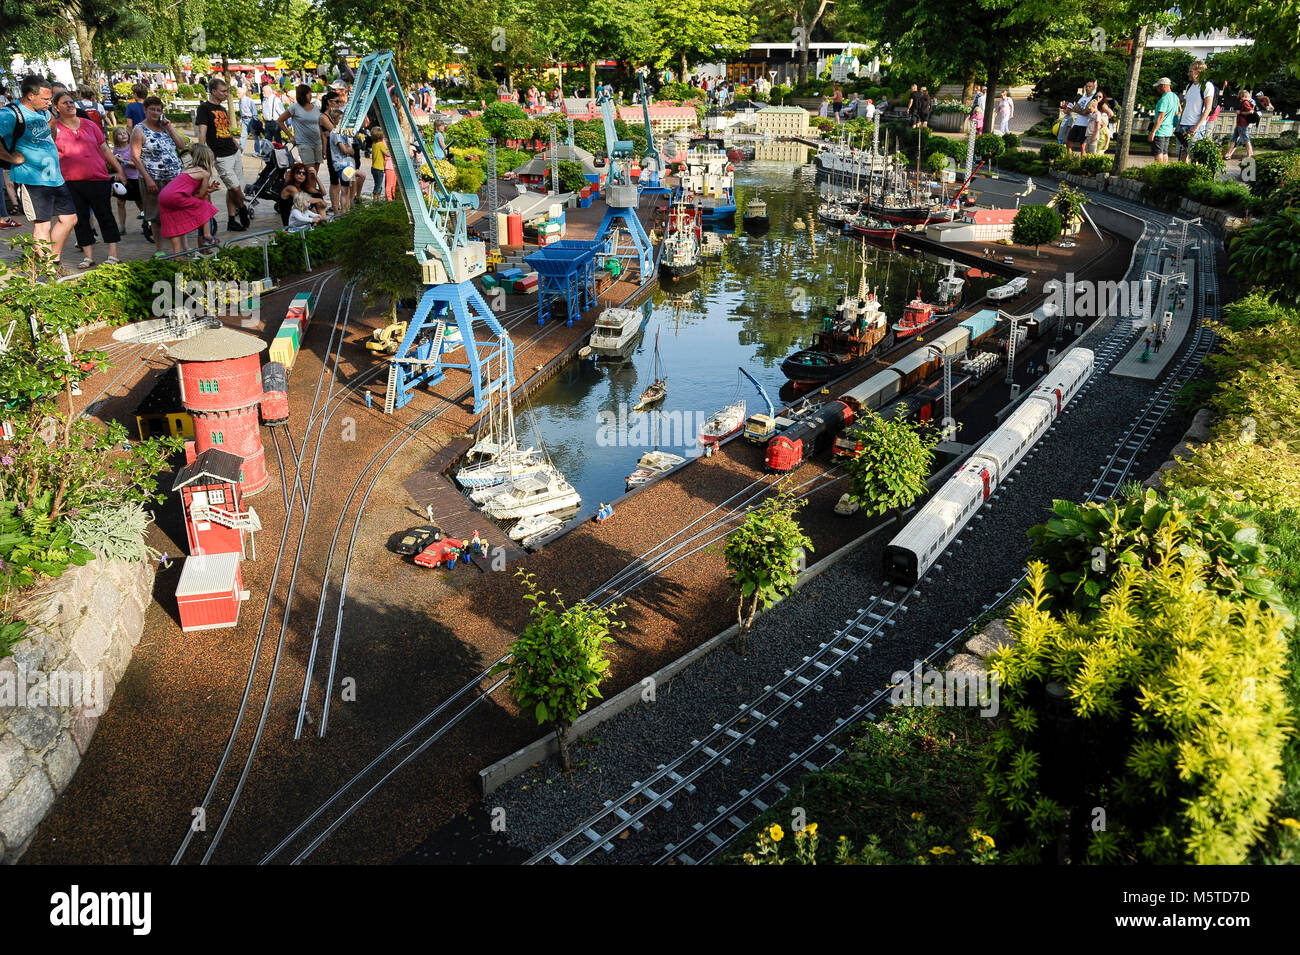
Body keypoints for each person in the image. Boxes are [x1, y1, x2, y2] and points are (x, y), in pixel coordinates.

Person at [0, 75, 80, 271]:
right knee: (42, 224)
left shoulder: (44, 112)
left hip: (54, 176)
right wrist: (12, 159)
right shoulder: (11, 114)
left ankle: (53, 260)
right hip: (31, 177)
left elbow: (50, 130)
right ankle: (50, 269)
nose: (49, 103)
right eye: (45, 99)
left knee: (70, 218)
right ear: (30, 96)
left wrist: (51, 132)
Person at [51, 88, 127, 268]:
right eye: (65, 103)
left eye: (71, 102)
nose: (70, 105)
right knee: (81, 219)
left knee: (105, 215)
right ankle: (88, 256)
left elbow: (104, 149)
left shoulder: (89, 124)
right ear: (56, 107)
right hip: (71, 181)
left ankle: (113, 254)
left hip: (97, 178)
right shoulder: (55, 129)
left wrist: (118, 169)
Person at [130, 94, 186, 254]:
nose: (155, 113)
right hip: (154, 178)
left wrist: (170, 127)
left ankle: (182, 249)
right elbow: (135, 156)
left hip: (173, 178)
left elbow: (181, 145)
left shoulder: (165, 127)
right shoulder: (139, 129)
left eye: (158, 110)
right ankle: (159, 249)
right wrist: (148, 179)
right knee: (156, 216)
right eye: (152, 110)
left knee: (177, 213)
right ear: (145, 110)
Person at [195, 78, 250, 232]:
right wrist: (202, 154)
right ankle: (242, 208)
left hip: (233, 151)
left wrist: (236, 143)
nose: (226, 94)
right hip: (220, 155)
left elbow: (225, 129)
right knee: (235, 187)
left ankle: (232, 220)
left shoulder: (223, 109)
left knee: (233, 188)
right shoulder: (204, 108)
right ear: (213, 91)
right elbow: (202, 132)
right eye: (223, 91)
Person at [158, 142, 220, 254]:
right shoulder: (204, 173)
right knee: (205, 205)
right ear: (207, 160)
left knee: (174, 224)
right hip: (175, 196)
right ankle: (207, 235)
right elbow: (200, 196)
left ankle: (177, 256)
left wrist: (209, 189)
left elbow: (191, 193)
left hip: (164, 196)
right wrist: (209, 190)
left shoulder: (187, 169)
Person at [1176, 61, 1216, 162]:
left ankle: (1193, 174)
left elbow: (1208, 108)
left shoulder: (1207, 86)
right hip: (1183, 125)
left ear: (1198, 71)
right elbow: (1185, 106)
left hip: (1195, 126)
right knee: (1182, 154)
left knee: (1195, 156)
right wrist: (1179, 123)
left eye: (1191, 71)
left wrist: (1197, 126)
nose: (1188, 73)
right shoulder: (1189, 86)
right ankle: (1183, 174)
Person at [110, 125, 143, 238]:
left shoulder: (132, 147)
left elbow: (137, 165)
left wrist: (123, 161)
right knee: (120, 202)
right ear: (115, 137)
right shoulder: (116, 149)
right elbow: (116, 164)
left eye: (124, 133)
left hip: (135, 179)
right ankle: (122, 226)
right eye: (120, 134)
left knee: (139, 202)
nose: (123, 135)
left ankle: (147, 224)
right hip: (124, 179)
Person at [287, 84, 323, 172]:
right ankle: (310, 185)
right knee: (310, 171)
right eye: (308, 93)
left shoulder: (316, 108)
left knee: (315, 173)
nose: (311, 95)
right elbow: (280, 120)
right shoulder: (294, 107)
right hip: (304, 143)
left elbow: (320, 125)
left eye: (311, 93)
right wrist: (290, 136)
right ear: (303, 95)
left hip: (317, 143)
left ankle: (311, 185)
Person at [1061, 79, 1099, 153]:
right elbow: (1075, 108)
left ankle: (1082, 163)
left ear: (1094, 87)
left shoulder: (1093, 99)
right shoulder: (1082, 98)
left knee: (1082, 147)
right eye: (1087, 86)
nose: (1088, 88)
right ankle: (1069, 161)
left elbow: (1085, 112)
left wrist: (1079, 110)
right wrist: (1081, 110)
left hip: (1085, 125)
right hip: (1077, 124)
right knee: (1068, 143)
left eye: (1090, 86)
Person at [1148, 77, 1179, 164]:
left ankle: (1158, 170)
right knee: (1165, 152)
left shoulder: (1164, 99)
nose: (1157, 89)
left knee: (1158, 152)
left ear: (1163, 86)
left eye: (1158, 86)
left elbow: (1161, 116)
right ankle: (1164, 169)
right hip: (1168, 130)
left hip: (1160, 130)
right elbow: (1177, 113)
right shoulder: (1175, 97)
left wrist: (1153, 132)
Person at [1224, 90, 1257, 163]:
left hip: (1243, 124)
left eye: (1239, 95)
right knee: (1233, 138)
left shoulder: (1245, 102)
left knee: (1246, 139)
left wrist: (1241, 113)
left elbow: (1251, 111)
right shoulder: (1242, 102)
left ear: (1242, 96)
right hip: (1239, 124)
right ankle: (1229, 153)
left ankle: (1249, 155)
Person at [238, 85, 258, 154]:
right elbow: (241, 112)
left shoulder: (249, 101)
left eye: (238, 93)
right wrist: (241, 120)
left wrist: (255, 121)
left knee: (255, 137)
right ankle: (241, 151)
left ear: (243, 93)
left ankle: (257, 152)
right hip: (244, 120)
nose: (237, 95)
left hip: (251, 120)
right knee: (243, 136)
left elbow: (254, 111)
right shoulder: (239, 102)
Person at [369, 126, 387, 200]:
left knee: (376, 183)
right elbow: (387, 153)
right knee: (379, 185)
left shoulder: (374, 144)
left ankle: (376, 198)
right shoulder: (380, 144)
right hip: (379, 168)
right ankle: (376, 199)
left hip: (373, 168)